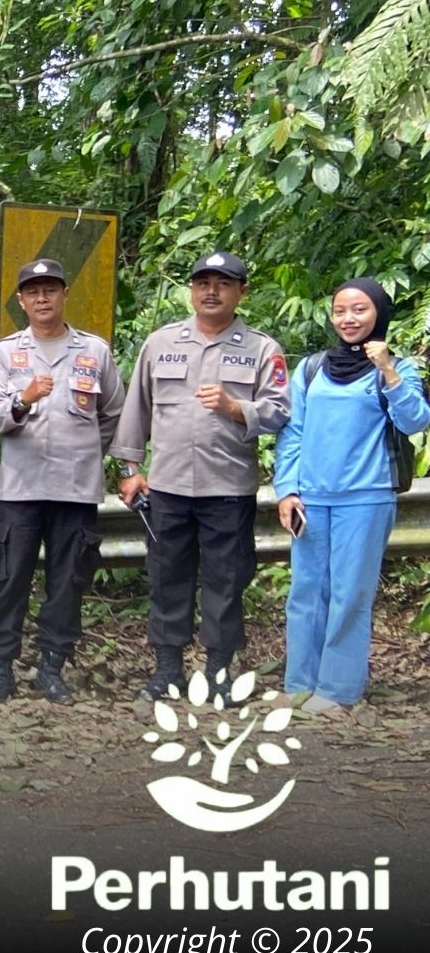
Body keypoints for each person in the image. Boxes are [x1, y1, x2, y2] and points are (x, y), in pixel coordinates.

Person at [112, 252, 289, 702]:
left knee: (225, 583)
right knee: (167, 578)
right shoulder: (161, 342)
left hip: (227, 489)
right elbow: (137, 410)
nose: (211, 291)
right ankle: (167, 669)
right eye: (202, 282)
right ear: (191, 290)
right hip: (167, 487)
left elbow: (281, 411)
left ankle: (218, 672)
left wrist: (236, 408)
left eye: (223, 283)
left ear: (241, 292)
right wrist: (131, 470)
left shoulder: (262, 349)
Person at [273, 279, 429, 713]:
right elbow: (294, 433)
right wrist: (286, 489)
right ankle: (299, 683)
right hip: (312, 498)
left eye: (359, 310)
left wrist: (389, 372)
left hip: (366, 497)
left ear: (378, 313)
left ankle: (339, 690)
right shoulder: (311, 369)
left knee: (349, 595)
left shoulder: (400, 367)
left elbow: (416, 421)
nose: (348, 319)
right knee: (305, 591)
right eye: (340, 310)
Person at [0, 261, 126, 706]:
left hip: (75, 488)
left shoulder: (94, 351)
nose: (42, 299)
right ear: (21, 301)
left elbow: (114, 414)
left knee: (68, 583)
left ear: (64, 295)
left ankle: (52, 668)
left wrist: (84, 452)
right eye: (33, 292)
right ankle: (0, 671)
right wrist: (23, 399)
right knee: (10, 580)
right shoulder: (5, 353)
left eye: (50, 290)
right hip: (21, 489)